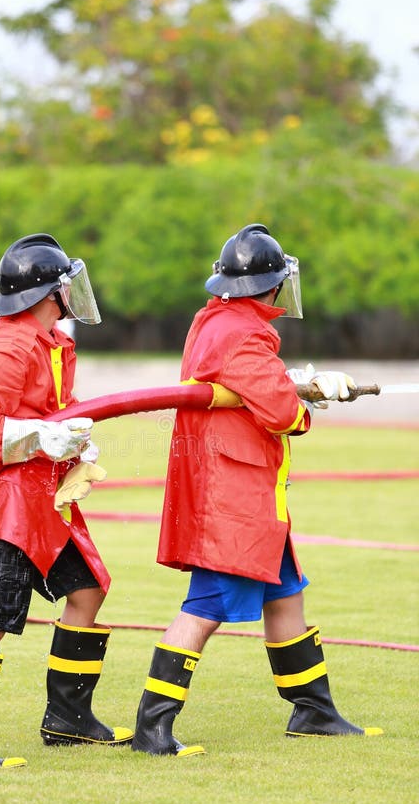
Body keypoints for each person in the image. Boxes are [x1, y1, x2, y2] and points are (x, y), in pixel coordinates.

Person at [131, 223, 383, 757]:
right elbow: (279, 410)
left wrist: (295, 381)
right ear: (269, 285)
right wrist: (308, 401)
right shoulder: (246, 333)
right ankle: (153, 728)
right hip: (234, 499)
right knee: (205, 608)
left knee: (286, 596)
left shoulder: (217, 321)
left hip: (246, 494)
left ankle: (313, 712)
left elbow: (253, 386)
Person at [0, 233, 133, 768]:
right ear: (49, 292)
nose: (73, 293)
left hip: (42, 499)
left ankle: (68, 722)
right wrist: (39, 437)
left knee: (88, 590)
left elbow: (53, 410)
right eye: (66, 285)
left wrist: (71, 440)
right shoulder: (7, 347)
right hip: (5, 503)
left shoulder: (50, 344)